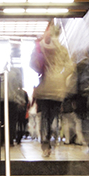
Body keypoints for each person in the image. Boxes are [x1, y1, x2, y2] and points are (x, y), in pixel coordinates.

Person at [32, 22, 74, 158]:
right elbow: (71, 66)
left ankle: (45, 144)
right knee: (52, 117)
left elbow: (32, 63)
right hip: (57, 89)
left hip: (45, 87)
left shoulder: (40, 47)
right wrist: (61, 76)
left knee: (45, 116)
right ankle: (50, 139)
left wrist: (41, 69)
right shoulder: (62, 50)